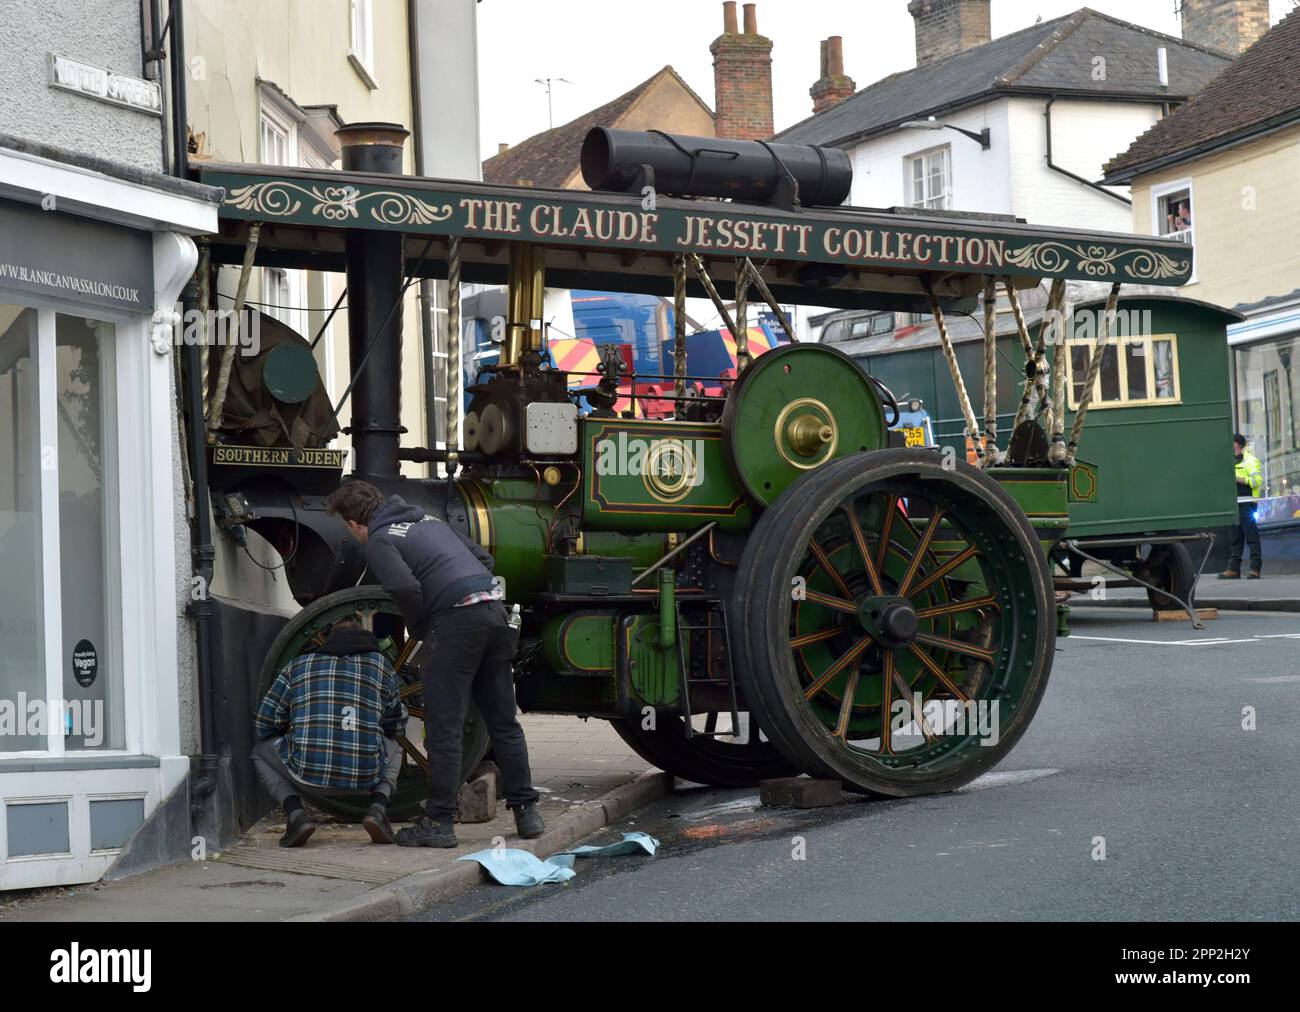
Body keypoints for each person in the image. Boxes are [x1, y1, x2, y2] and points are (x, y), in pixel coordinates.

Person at [325, 480, 544, 848]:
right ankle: (527, 813)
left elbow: (404, 587)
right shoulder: (428, 522)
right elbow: (485, 561)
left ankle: (439, 822)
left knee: (445, 727)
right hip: (492, 612)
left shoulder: (380, 540)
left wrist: (422, 625)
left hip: (456, 623)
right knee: (503, 722)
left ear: (353, 524)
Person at [253, 617, 406, 848]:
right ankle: (377, 809)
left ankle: (296, 815)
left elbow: (264, 722)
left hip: (306, 775)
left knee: (259, 752)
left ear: (327, 640)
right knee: (395, 748)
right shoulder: (380, 666)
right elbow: (396, 724)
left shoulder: (299, 665)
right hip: (365, 776)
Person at [1220, 433, 1263, 580]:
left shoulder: (1251, 461)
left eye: (1233, 445)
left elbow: (1257, 481)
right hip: (1233, 503)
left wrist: (1236, 478)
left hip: (1247, 502)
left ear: (1239, 445)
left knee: (1252, 537)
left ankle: (1255, 569)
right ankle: (1233, 569)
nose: (1231, 448)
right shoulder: (1228, 461)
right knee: (1234, 539)